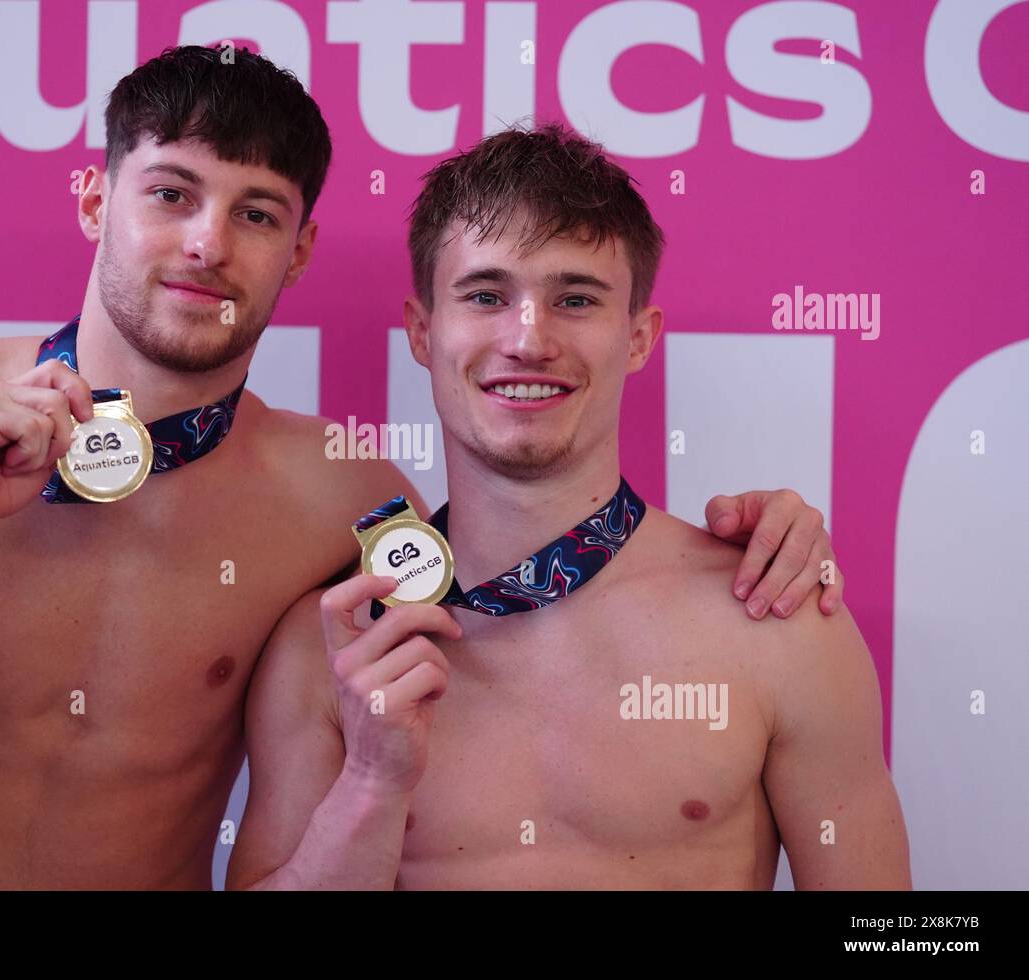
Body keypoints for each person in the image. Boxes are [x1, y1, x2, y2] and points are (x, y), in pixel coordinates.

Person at [0, 49, 841, 889]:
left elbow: (532, 587)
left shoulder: (341, 494)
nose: (209, 243)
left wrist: (766, 540)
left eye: (255, 213)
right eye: (170, 192)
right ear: (93, 198)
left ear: (298, 248)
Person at [229, 123, 908, 890]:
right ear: (424, 332)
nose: (529, 339)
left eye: (575, 298)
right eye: (486, 295)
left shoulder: (770, 615)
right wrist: (372, 784)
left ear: (640, 337)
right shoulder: (334, 646)